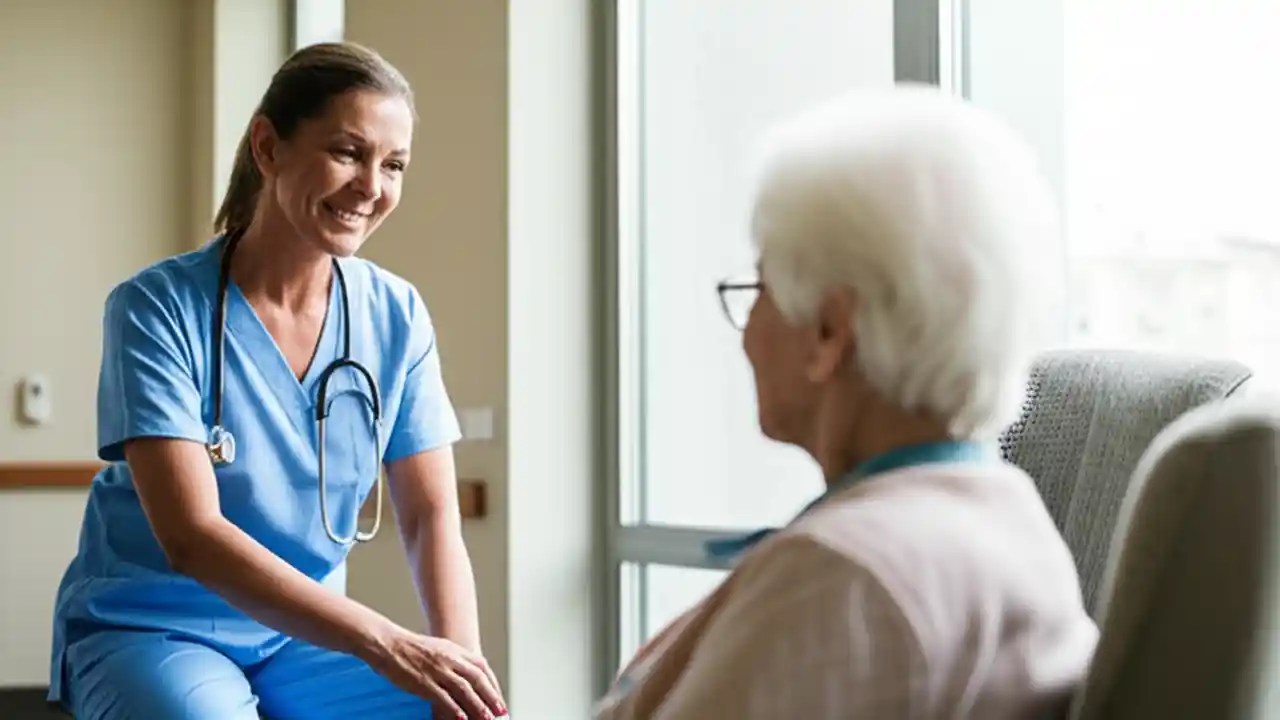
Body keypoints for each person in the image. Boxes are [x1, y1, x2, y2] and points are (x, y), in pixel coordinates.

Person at [593, 85, 1099, 719]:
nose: (747, 330)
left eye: (759, 289)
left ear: (829, 333)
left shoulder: (843, 576)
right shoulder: (1011, 519)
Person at [47, 42, 508, 720]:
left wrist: (461, 670)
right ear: (268, 146)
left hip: (302, 635)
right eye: (348, 152)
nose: (371, 186)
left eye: (395, 164)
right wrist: (386, 641)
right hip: (154, 628)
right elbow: (192, 535)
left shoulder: (395, 315)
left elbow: (429, 512)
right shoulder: (158, 308)